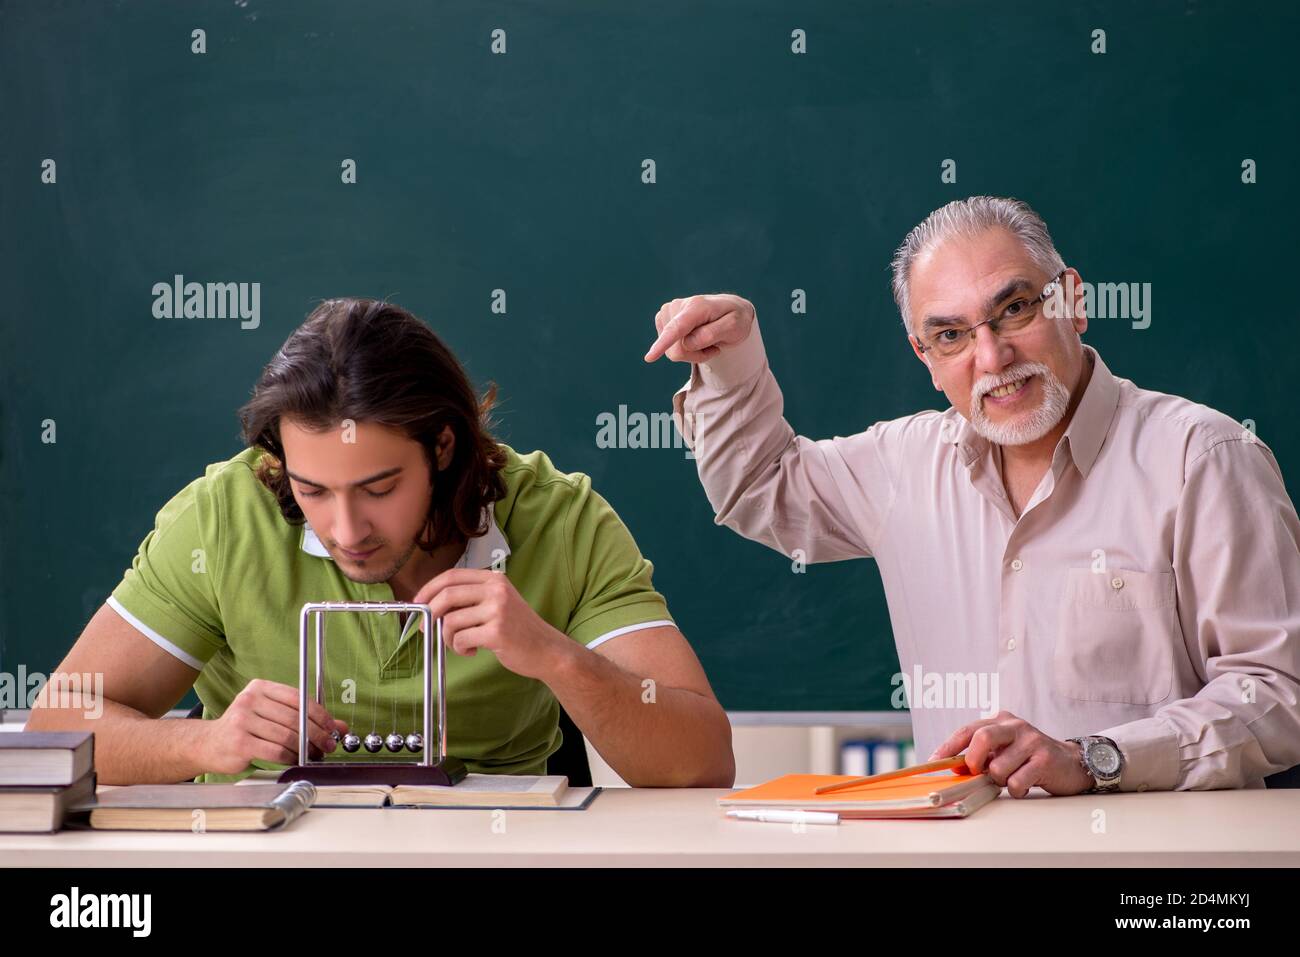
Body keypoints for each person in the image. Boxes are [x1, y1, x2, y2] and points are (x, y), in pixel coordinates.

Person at [645, 195, 1300, 796]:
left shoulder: (1203, 459)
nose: (991, 357)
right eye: (952, 335)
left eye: (1014, 309)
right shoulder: (902, 466)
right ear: (925, 356)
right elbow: (761, 487)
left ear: (1072, 298)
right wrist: (730, 362)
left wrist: (1095, 758)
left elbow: (1279, 692)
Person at [30, 298, 735, 788]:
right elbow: (58, 718)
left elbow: (703, 759)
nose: (345, 530)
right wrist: (204, 742)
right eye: (312, 490)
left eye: (377, 487)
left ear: (444, 445)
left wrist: (555, 656)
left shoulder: (561, 521)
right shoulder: (223, 516)